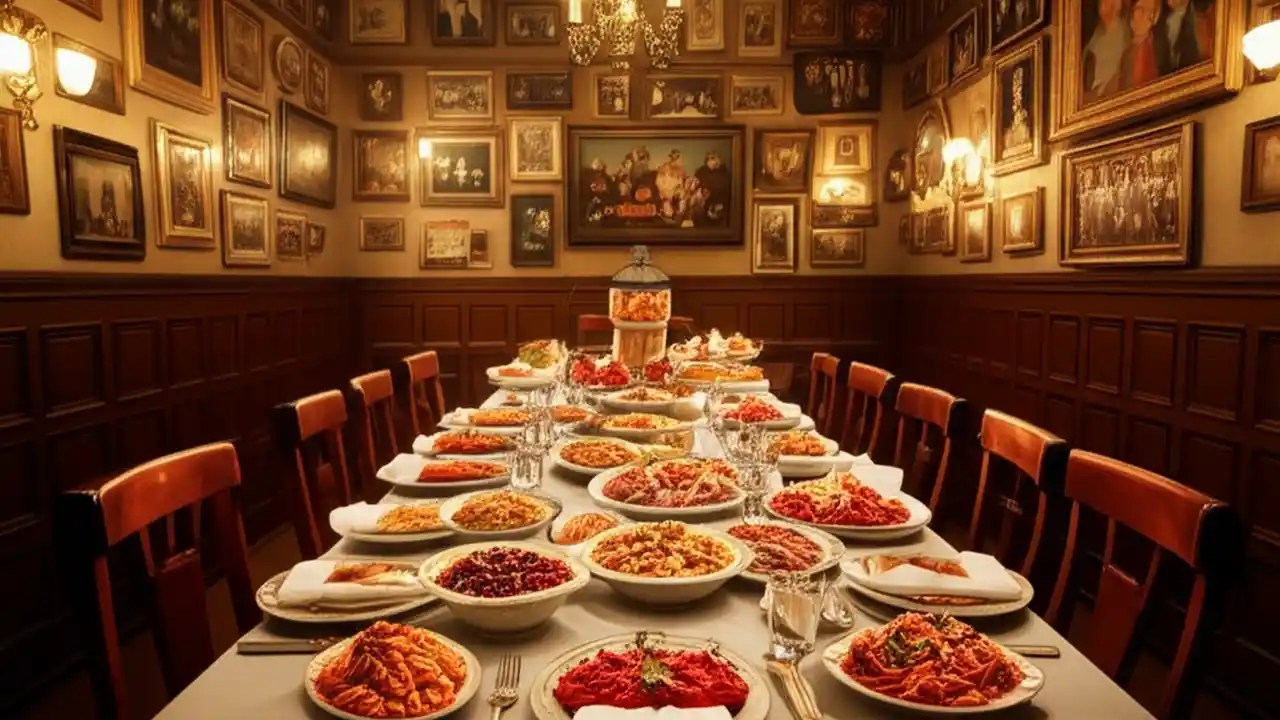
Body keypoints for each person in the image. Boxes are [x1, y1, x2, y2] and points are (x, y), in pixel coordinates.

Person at [1082, 0, 1129, 102]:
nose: (1108, 7)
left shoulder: (1125, 33)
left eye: (1112, 3)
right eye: (1104, 3)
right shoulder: (1096, 34)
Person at [1122, 0, 1161, 88]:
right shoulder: (1125, 53)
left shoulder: (1157, 51)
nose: (1144, 16)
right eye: (1140, 9)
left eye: (1150, 11)